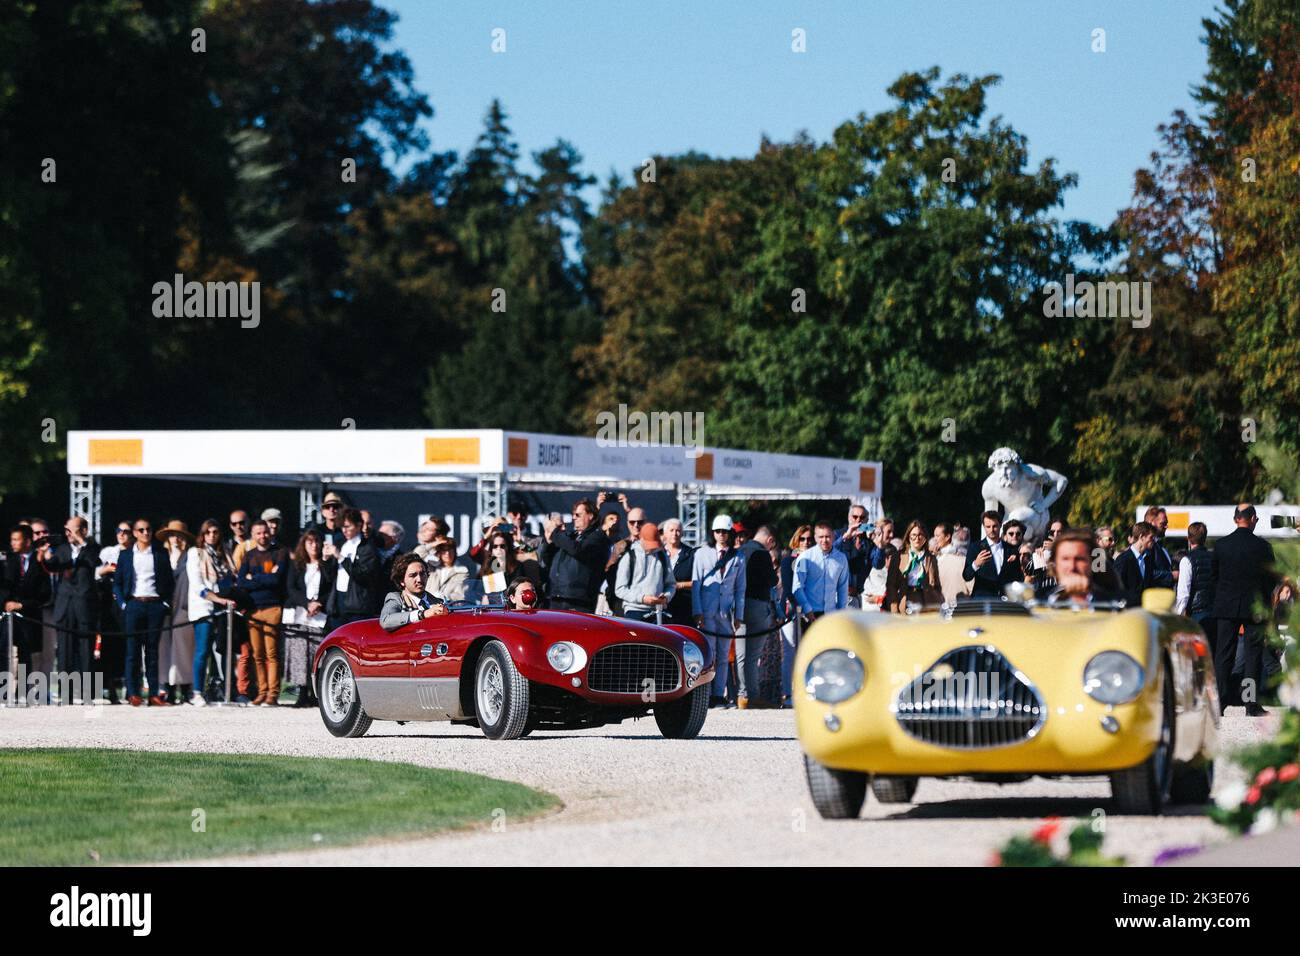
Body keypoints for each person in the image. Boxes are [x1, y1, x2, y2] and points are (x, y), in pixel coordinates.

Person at [1211, 504, 1276, 716]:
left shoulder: (1221, 546)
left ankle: (1219, 702)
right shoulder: (1263, 547)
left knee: (1223, 656)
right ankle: (1250, 705)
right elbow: (1271, 581)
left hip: (1226, 607)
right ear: (1254, 519)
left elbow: (1214, 578)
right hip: (1254, 609)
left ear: (1235, 519)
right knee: (1252, 657)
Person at [113, 518, 175, 706]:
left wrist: (164, 604)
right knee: (132, 652)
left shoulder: (161, 553)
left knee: (152, 651)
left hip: (155, 605)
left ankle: (154, 693)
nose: (146, 533)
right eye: (141, 530)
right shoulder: (125, 555)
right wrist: (124, 604)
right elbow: (117, 583)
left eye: (148, 529)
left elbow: (169, 582)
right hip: (134, 604)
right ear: (134, 533)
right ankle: (133, 693)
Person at [38, 516, 99, 694]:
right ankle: (66, 692)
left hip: (84, 603)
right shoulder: (63, 549)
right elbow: (53, 566)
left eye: (72, 529)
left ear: (84, 530)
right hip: (64, 603)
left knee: (85, 648)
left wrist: (81, 542)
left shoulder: (93, 548)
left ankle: (87, 691)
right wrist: (45, 556)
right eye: (66, 530)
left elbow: (93, 561)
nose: (68, 533)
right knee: (65, 648)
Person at [692, 514, 746, 708]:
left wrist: (739, 614)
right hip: (707, 610)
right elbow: (696, 584)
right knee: (709, 653)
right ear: (713, 533)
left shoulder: (738, 557)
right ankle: (705, 692)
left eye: (725, 531)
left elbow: (740, 588)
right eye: (718, 531)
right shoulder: (701, 554)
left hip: (726, 613)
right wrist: (697, 610)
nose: (721, 535)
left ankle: (718, 694)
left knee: (723, 655)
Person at [238, 518, 289, 706]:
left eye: (265, 532)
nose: (262, 536)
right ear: (253, 535)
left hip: (272, 608)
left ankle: (273, 693)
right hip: (253, 609)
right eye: (258, 533)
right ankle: (262, 691)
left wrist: (255, 578)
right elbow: (242, 581)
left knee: (272, 653)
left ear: (270, 532)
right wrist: (265, 577)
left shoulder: (280, 552)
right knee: (257, 654)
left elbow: (277, 580)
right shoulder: (248, 555)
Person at [187, 519, 238, 705]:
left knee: (225, 651)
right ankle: (197, 692)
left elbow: (233, 577)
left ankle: (226, 691)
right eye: (207, 532)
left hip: (225, 610)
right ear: (202, 534)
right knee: (203, 651)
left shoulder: (224, 554)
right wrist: (218, 599)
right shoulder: (196, 554)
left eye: (215, 532)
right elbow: (197, 585)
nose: (211, 536)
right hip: (204, 608)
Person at [285, 529, 335, 707]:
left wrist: (318, 602)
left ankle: (315, 693)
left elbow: (331, 586)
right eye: (310, 542)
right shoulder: (297, 564)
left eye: (316, 542)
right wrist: (307, 603)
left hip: (319, 615)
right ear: (303, 545)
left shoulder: (327, 565)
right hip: (299, 613)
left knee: (316, 652)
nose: (313, 546)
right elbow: (291, 588)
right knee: (299, 653)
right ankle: (301, 692)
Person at [2, 524, 52, 702]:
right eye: (12, 540)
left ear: (28, 541)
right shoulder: (8, 560)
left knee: (26, 653)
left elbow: (45, 593)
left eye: (17, 539)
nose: (13, 543)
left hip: (29, 615)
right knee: (5, 652)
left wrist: (22, 605)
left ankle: (23, 691)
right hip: (7, 615)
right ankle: (3, 691)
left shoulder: (39, 562)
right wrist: (6, 603)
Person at [734, 524, 779, 707]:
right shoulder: (762, 553)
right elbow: (772, 580)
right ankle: (751, 694)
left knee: (741, 654)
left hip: (738, 606)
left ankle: (741, 694)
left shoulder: (739, 551)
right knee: (753, 655)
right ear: (769, 540)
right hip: (758, 605)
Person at [541, 498, 608, 612]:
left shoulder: (597, 537)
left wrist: (555, 533)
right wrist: (548, 542)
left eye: (578, 515)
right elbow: (548, 559)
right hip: (556, 597)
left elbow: (578, 550)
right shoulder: (570, 537)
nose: (574, 518)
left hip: (578, 601)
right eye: (573, 515)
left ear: (590, 516)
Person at [156, 520, 195, 705]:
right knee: (164, 649)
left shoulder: (190, 556)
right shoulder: (162, 556)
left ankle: (185, 688)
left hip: (183, 606)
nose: (176, 539)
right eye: (172, 535)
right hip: (163, 609)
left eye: (180, 535)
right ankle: (167, 688)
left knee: (183, 650)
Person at [325, 508, 381, 633]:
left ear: (359, 525)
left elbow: (363, 575)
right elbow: (329, 576)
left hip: (357, 604)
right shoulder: (341, 543)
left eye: (348, 526)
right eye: (342, 527)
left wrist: (341, 557)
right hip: (338, 601)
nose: (344, 530)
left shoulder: (367, 547)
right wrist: (325, 559)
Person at [95, 522, 133, 703]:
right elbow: (94, 573)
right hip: (109, 604)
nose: (122, 534)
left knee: (130, 647)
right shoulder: (107, 552)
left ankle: (130, 689)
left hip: (129, 602)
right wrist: (107, 569)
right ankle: (110, 689)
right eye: (119, 531)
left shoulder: (137, 552)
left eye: (126, 531)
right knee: (109, 647)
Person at [778, 526, 812, 707]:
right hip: (791, 610)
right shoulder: (787, 560)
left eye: (809, 540)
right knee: (790, 652)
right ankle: (787, 693)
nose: (806, 542)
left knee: (807, 652)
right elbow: (789, 587)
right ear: (796, 540)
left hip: (810, 610)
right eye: (803, 539)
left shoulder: (814, 560)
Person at [614, 521, 674, 623]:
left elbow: (671, 584)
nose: (652, 547)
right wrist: (642, 598)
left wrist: (666, 597)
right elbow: (619, 589)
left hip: (657, 611)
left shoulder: (662, 557)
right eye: (650, 543)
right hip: (634, 611)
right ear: (641, 539)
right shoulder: (629, 557)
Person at [793, 522, 851, 628]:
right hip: (810, 614)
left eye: (828, 537)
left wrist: (841, 612)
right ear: (815, 538)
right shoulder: (803, 558)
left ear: (833, 536)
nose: (824, 540)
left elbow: (842, 587)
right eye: (821, 537)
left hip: (831, 615)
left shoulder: (841, 559)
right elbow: (797, 587)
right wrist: (807, 609)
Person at [1046, 527, 1117, 605]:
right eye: (1065, 559)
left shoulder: (1116, 603)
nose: (1072, 566)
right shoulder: (1039, 601)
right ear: (1054, 563)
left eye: (1079, 559)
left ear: (1092, 562)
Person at [379, 553, 449, 631]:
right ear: (402, 581)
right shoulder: (396, 599)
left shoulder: (438, 602)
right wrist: (422, 614)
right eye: (413, 575)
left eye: (422, 574)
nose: (419, 579)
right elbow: (385, 621)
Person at [884, 520, 943, 613]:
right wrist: (894, 608)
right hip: (905, 600)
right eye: (914, 535)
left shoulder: (930, 558)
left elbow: (937, 585)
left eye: (920, 535)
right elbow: (891, 585)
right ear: (908, 536)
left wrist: (938, 602)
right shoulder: (898, 556)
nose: (917, 538)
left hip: (926, 601)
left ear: (925, 537)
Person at [962, 511, 1022, 598]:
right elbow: (966, 576)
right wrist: (976, 564)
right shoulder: (975, 547)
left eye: (995, 526)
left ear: (1000, 525)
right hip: (982, 600)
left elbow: (1017, 577)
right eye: (988, 527)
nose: (991, 530)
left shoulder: (1011, 549)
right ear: (983, 527)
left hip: (1005, 601)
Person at [480, 529, 543, 602]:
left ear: (507, 547)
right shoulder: (487, 567)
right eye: (495, 546)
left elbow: (529, 551)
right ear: (491, 550)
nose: (499, 549)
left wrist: (519, 541)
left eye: (502, 546)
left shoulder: (517, 567)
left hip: (512, 607)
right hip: (493, 607)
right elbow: (473, 553)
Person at [1174, 521, 1217, 627]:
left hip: (1195, 612)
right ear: (1205, 538)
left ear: (1188, 538)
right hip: (1213, 611)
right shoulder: (1214, 558)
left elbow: (1184, 593)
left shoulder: (1187, 560)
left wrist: (1178, 614)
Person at [834, 504, 872, 607]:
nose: (858, 520)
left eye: (862, 517)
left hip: (857, 596)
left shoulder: (868, 541)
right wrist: (846, 536)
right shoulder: (838, 534)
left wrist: (879, 544)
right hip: (839, 594)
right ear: (849, 518)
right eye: (855, 517)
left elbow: (878, 563)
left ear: (867, 520)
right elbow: (828, 552)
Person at [1113, 521, 1157, 607]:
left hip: (1144, 612)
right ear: (1141, 537)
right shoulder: (1123, 560)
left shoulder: (1148, 559)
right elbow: (1116, 588)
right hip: (1127, 612)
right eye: (1151, 537)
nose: (1154, 541)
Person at [660, 518, 695, 625]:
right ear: (665, 533)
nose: (675, 533)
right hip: (661, 606)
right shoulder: (658, 553)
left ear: (682, 533)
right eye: (671, 530)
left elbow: (698, 581)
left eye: (678, 530)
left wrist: (679, 585)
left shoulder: (691, 554)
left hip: (683, 606)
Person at [1143, 506, 1175, 589]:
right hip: (1155, 598)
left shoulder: (1159, 545)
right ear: (1151, 523)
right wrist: (1171, 576)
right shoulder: (1147, 546)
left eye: (1166, 523)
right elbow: (1146, 572)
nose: (1166, 526)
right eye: (1163, 523)